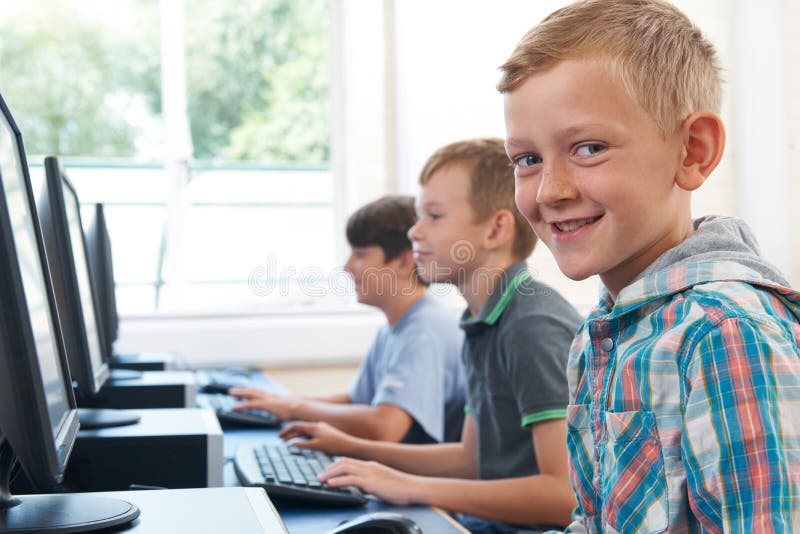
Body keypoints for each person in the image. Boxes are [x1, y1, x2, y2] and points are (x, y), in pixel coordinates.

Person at [500, 0, 800, 531]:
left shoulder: (723, 333)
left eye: (589, 148)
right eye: (528, 160)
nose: (550, 191)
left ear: (692, 152)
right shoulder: (606, 332)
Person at [280, 138, 583, 532]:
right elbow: (471, 460)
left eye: (434, 217)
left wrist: (412, 486)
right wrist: (354, 450)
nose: (415, 233)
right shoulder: (483, 321)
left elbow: (564, 497)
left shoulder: (530, 326)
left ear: (495, 229)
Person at [232, 195, 466, 444]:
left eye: (360, 254)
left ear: (404, 261)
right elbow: (357, 400)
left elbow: (385, 427)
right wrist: (282, 402)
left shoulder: (424, 331)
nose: (346, 267)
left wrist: (295, 409)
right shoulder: (396, 326)